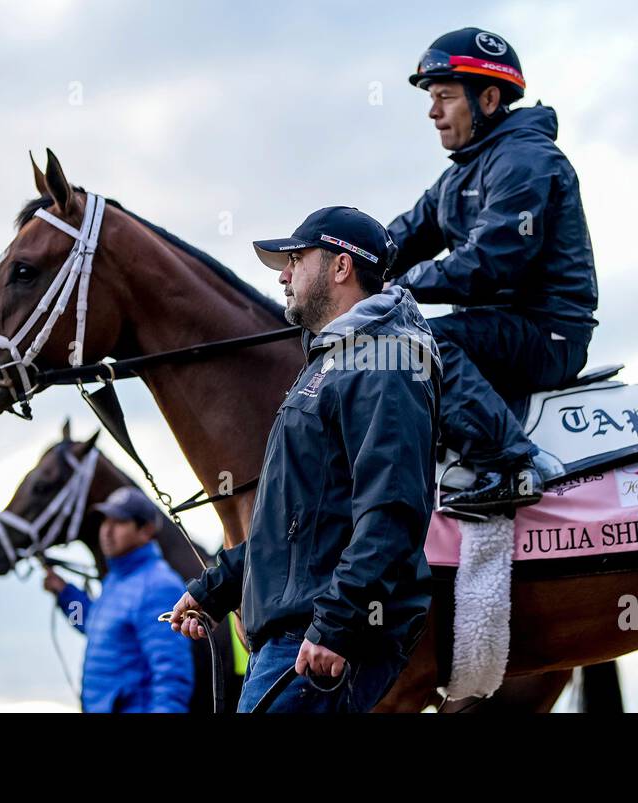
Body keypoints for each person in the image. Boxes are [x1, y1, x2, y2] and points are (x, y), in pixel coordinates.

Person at [168, 206, 440, 713]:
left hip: (318, 640)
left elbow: (393, 512)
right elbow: (293, 522)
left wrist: (338, 625)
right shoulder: (334, 363)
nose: (284, 275)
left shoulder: (385, 361)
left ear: (341, 267)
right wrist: (216, 588)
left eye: (296, 259)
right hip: (301, 634)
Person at [386, 27, 599, 514]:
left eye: (443, 97)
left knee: (417, 343)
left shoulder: (526, 158)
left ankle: (511, 465)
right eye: (430, 99)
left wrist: (400, 287)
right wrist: (342, 266)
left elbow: (489, 261)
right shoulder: (459, 174)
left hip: (547, 333)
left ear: (487, 98)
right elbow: (399, 238)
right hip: (496, 329)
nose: (432, 112)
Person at [44, 486, 194, 713]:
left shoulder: (159, 585)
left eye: (119, 522)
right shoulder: (115, 579)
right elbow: (95, 626)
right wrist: (65, 594)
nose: (107, 530)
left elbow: (172, 672)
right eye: (106, 521)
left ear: (146, 530)